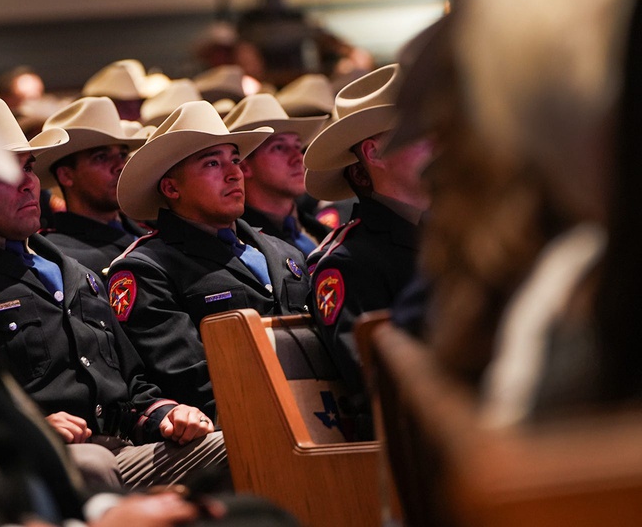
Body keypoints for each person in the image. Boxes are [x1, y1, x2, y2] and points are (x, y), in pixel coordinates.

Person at [0, 97, 226, 491]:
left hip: (123, 445)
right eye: (5, 171)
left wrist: (166, 413)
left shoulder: (75, 273)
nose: (28, 182)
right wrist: (32, 428)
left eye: (28, 168)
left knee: (237, 444)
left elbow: (133, 385)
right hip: (38, 462)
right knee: (93, 465)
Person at [109, 100, 314, 418]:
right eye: (212, 164)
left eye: (235, 160)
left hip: (318, 408)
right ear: (171, 188)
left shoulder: (283, 252)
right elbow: (190, 378)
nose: (234, 174)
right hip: (236, 419)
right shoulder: (147, 268)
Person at [301, 63, 432, 440]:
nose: (438, 144)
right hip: (413, 443)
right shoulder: (345, 262)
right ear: (376, 152)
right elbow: (380, 381)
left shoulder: (452, 233)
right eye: (419, 132)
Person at [34, 97, 151, 280]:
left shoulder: (147, 231)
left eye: (122, 155)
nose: (120, 166)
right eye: (101, 157)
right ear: (66, 175)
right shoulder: (56, 255)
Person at [223, 93, 328, 256]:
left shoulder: (319, 231)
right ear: (244, 166)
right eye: (279, 147)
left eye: (297, 146)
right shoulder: (243, 245)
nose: (298, 158)